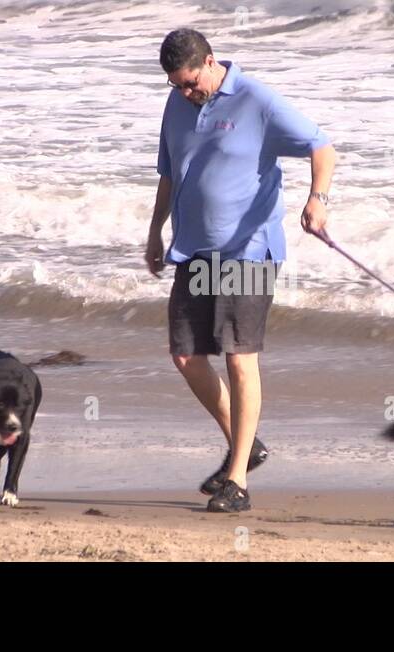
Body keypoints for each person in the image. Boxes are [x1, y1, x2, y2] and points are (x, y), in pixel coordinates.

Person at [145, 28, 336, 512]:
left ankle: (238, 481)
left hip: (247, 250)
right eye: (177, 86)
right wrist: (155, 232)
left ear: (211, 62)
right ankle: (246, 444)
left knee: (237, 356)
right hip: (194, 250)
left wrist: (318, 199)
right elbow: (170, 171)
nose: (186, 93)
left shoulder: (256, 100)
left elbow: (321, 145)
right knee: (186, 355)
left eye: (191, 83)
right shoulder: (177, 104)